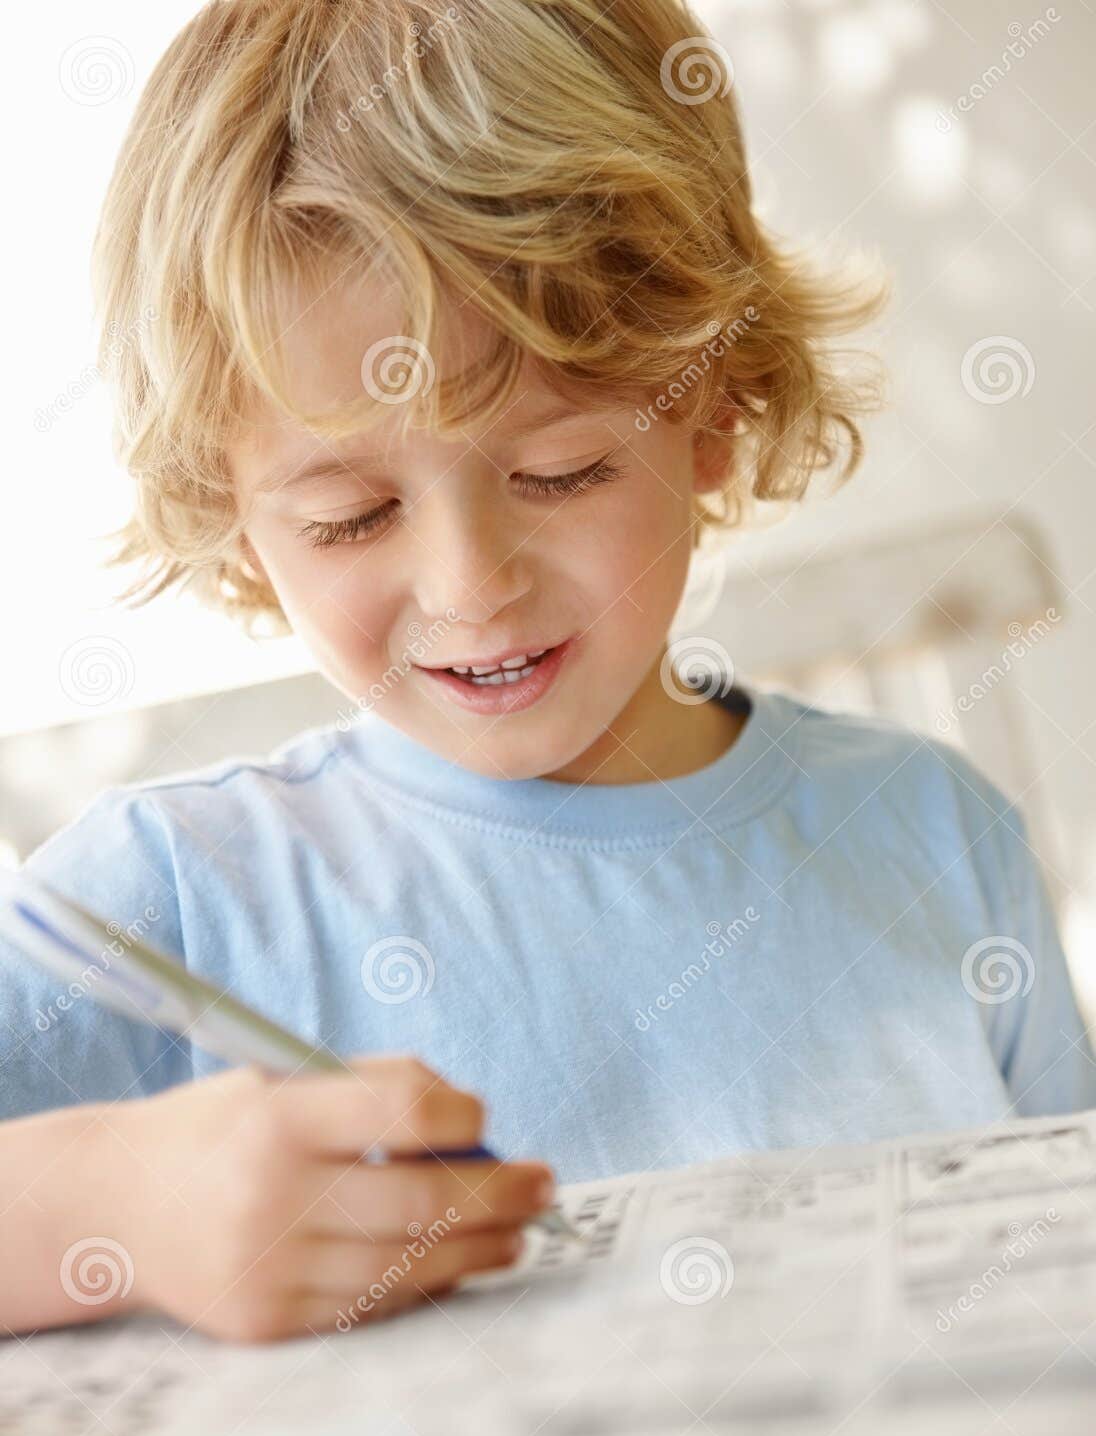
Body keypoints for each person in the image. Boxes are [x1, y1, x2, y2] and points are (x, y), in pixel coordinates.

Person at [3, 0, 1092, 1342]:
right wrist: (100, 1208)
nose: (473, 586)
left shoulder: (935, 837)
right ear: (231, 515)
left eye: (560, 472)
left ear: (716, 406)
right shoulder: (154, 911)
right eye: (352, 514)